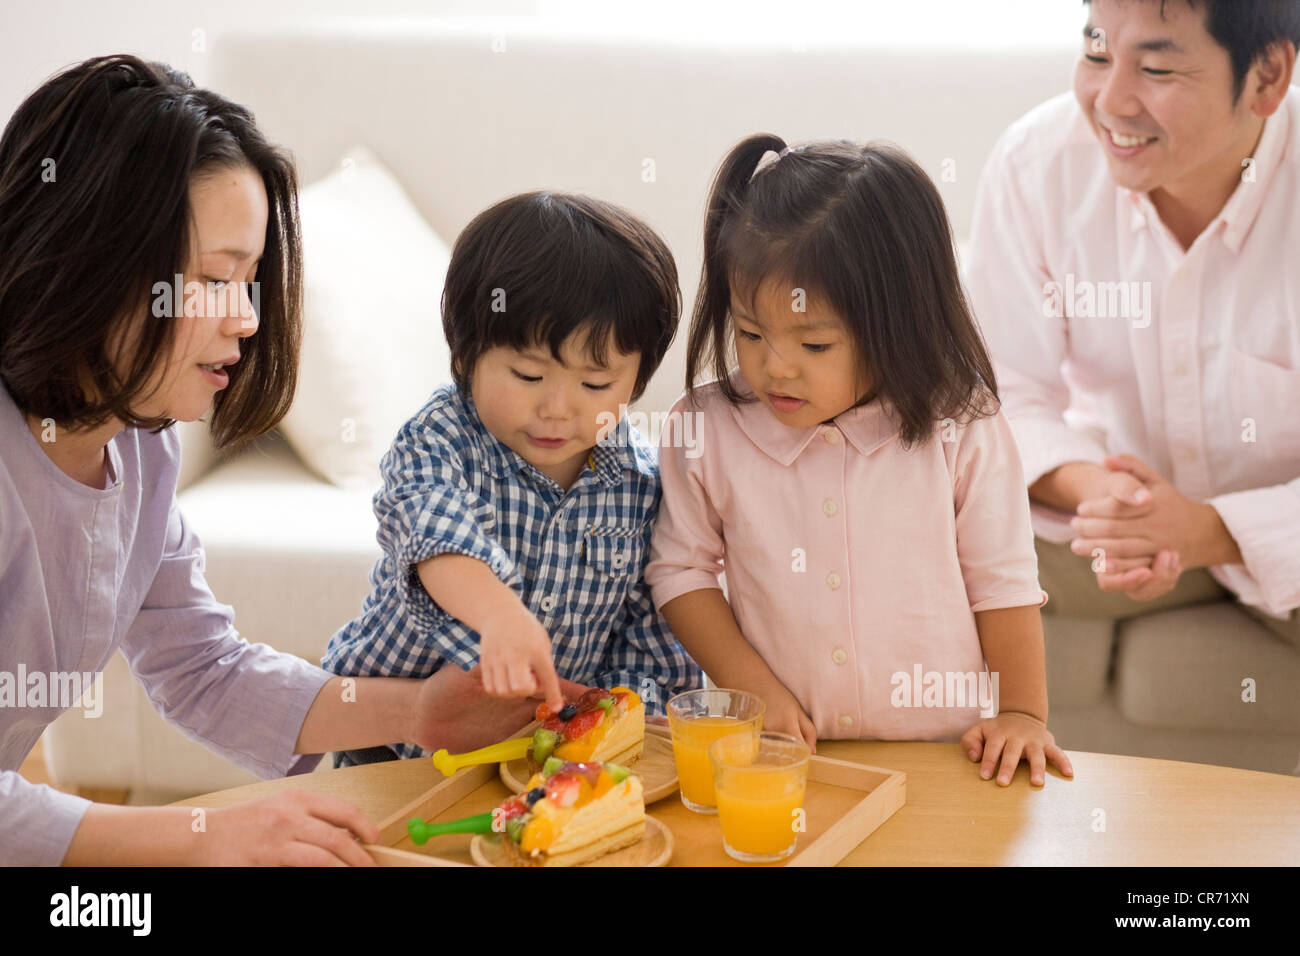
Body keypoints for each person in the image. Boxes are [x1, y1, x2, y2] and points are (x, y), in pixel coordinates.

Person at [0, 55, 538, 866]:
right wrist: (203, 833)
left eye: (252, 282)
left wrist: (420, 711)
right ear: (93, 261)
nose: (247, 320)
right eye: (218, 279)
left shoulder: (138, 452)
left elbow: (203, 668)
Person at [645, 134, 1075, 787]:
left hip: (945, 753)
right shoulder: (707, 427)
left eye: (814, 344)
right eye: (751, 333)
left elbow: (1003, 581)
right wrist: (750, 689)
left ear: (899, 325)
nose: (773, 367)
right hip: (785, 756)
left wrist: (1021, 711)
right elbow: (681, 571)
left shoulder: (962, 428)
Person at [322, 191, 704, 766]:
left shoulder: (643, 484)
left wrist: (620, 710)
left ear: (636, 381)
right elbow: (435, 533)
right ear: (465, 357)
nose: (558, 407)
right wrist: (499, 615)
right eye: (528, 374)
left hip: (537, 749)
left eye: (595, 385)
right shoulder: (439, 438)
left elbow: (649, 637)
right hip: (391, 742)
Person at [965, 0, 1300, 643]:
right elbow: (1000, 390)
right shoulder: (1038, 164)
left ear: (1267, 77)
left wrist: (1209, 531)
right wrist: (1108, 499)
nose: (1110, 101)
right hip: (1113, 524)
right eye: (1096, 53)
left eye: (1155, 68)